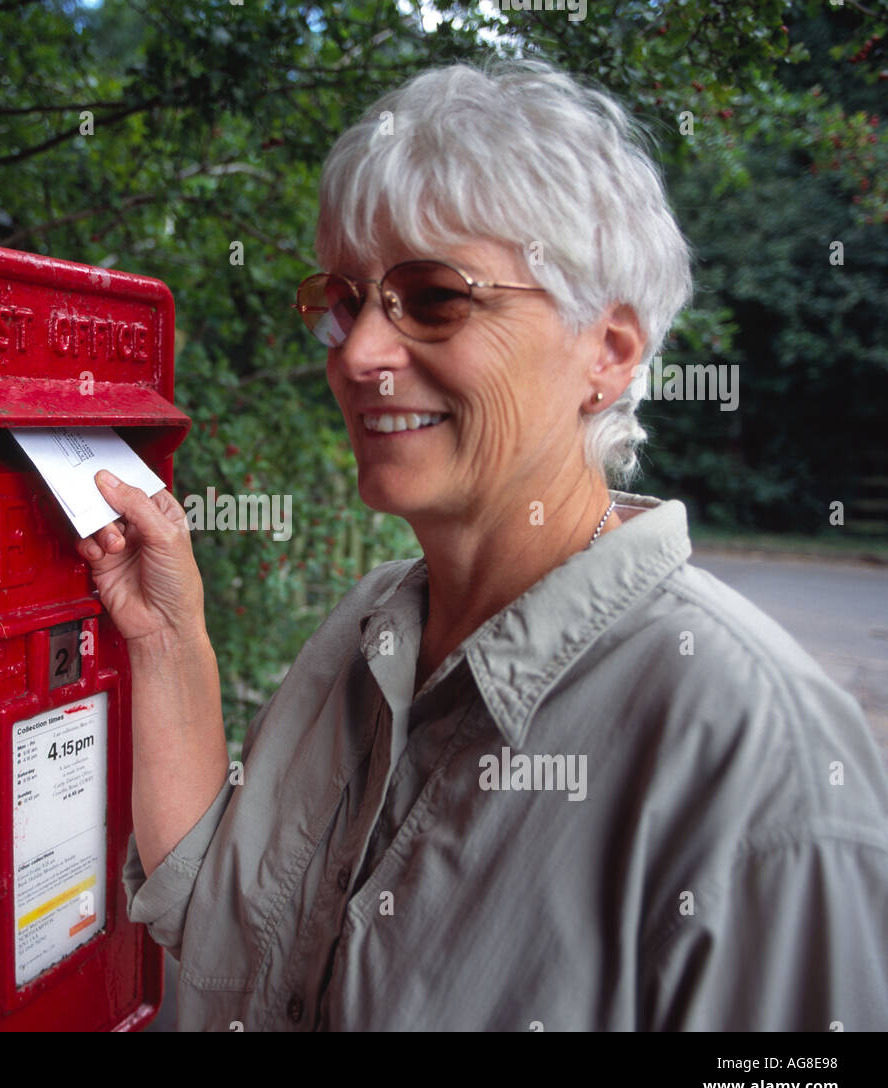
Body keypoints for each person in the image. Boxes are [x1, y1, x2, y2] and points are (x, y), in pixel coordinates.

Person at [75, 59, 888, 1031]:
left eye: (432, 298)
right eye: (343, 299)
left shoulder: (755, 756)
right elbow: (213, 923)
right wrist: (167, 638)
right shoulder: (368, 624)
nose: (359, 353)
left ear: (608, 350)